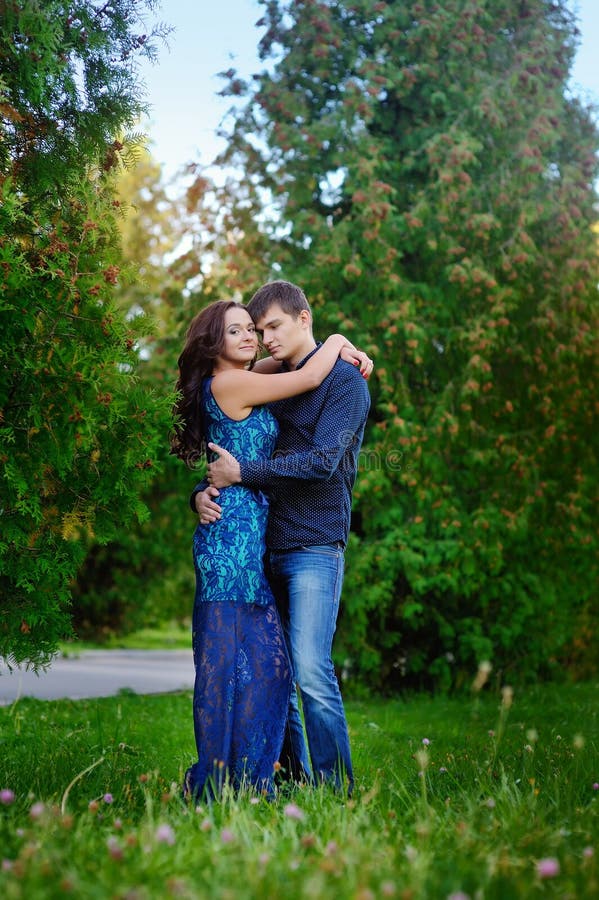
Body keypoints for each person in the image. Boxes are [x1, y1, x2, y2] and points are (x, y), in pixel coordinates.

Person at [171, 298, 369, 800]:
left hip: (295, 542)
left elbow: (316, 454)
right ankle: (253, 778)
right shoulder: (240, 381)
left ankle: (321, 787)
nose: (257, 339)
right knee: (250, 668)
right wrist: (201, 493)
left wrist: (335, 344)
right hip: (247, 546)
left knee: (288, 670)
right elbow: (298, 382)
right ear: (214, 342)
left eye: (260, 329)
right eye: (244, 330)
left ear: (303, 318)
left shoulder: (294, 377)